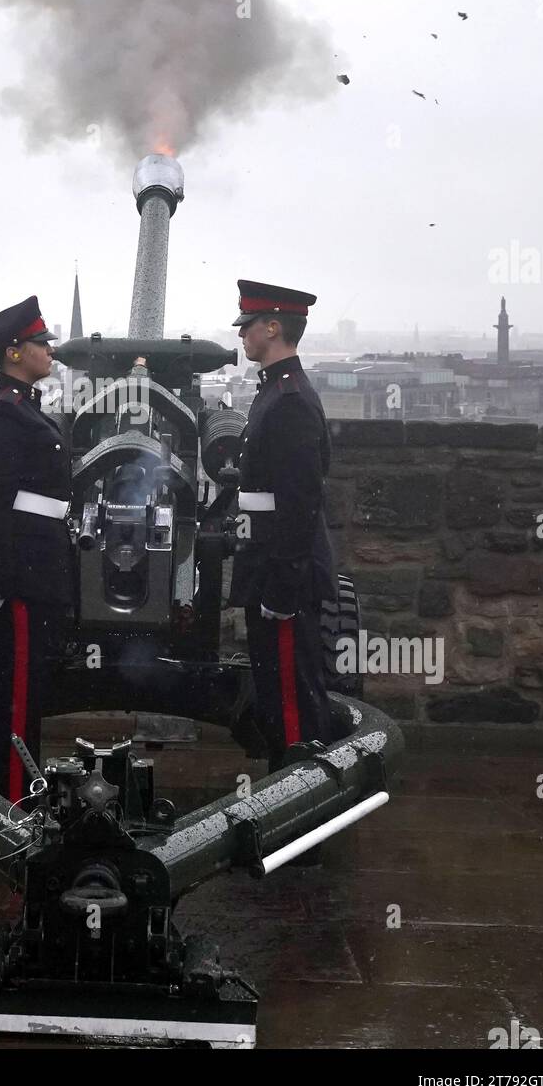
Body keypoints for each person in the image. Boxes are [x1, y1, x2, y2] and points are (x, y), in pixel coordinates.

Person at [0, 296, 72, 800]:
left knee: (28, 693)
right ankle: (8, 801)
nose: (49, 350)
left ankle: (20, 790)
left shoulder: (22, 406)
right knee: (15, 694)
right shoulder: (2, 415)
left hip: (37, 567)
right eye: (40, 343)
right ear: (13, 352)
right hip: (19, 576)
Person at [228, 279, 336, 769]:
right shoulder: (277, 391)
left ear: (273, 327)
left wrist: (282, 590)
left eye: (248, 326)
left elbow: (298, 504)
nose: (243, 335)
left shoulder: (289, 400)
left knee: (292, 709)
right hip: (268, 567)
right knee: (277, 699)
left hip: (280, 575)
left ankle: (297, 830)